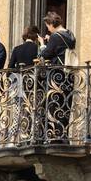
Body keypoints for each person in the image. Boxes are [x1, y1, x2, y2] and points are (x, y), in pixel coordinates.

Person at [36, 12, 76, 142]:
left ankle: (56, 136)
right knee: (66, 104)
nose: (48, 29)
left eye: (48, 26)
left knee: (55, 103)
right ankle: (64, 135)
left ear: (51, 24)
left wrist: (42, 44)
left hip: (57, 73)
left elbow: (46, 54)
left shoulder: (55, 37)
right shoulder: (70, 34)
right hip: (68, 73)